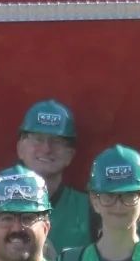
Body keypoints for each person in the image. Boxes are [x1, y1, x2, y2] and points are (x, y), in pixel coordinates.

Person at [17, 99, 91, 250]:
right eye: (38, 139)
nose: (46, 148)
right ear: (20, 149)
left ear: (70, 154)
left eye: (57, 141)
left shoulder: (92, 210)